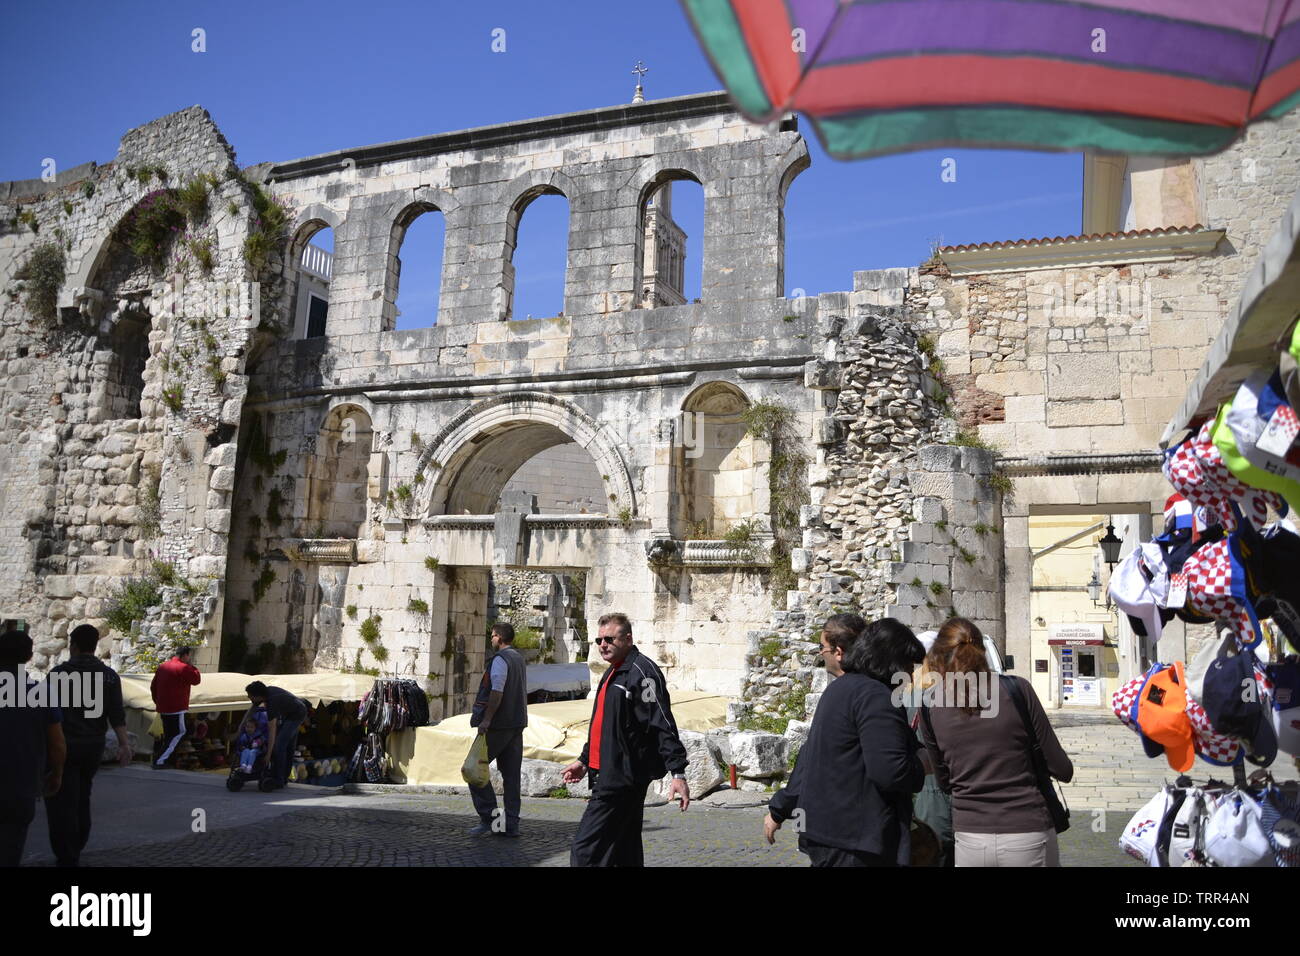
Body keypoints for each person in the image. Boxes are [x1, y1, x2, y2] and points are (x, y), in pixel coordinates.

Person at [765, 616, 927, 866]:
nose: (910, 675)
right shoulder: (875, 696)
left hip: (835, 836)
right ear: (892, 662)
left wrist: (780, 807)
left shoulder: (841, 689)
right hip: (856, 842)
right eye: (908, 665)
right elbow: (890, 771)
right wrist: (922, 764)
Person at [919, 617, 1073, 867]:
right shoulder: (1017, 690)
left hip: (971, 838)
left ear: (937, 655)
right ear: (982, 651)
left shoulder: (930, 705)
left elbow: (945, 781)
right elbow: (1062, 769)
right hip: (1027, 827)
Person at [562, 613, 689, 866]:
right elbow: (605, 725)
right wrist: (584, 760)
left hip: (622, 776)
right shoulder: (613, 672)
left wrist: (678, 773)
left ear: (628, 638)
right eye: (598, 640)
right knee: (623, 849)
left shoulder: (643, 673)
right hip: (608, 770)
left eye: (609, 639)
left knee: (585, 850)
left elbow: (661, 721)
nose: (602, 645)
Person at [44, 624, 130, 867]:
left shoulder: (59, 674)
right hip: (93, 745)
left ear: (74, 645)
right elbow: (116, 714)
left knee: (61, 800)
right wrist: (124, 744)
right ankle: (78, 843)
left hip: (65, 744)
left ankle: (67, 853)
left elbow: (48, 714)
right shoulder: (110, 676)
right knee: (83, 796)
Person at [0, 630, 65, 866]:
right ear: (29, 656)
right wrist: (56, 774)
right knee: (10, 848)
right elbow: (57, 742)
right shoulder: (41, 693)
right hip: (22, 783)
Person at [467, 621, 528, 837]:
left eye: (492, 636)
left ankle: (491, 819)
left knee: (473, 771)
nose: (491, 639)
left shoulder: (501, 660)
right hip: (516, 723)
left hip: (499, 725)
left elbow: (497, 691)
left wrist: (486, 720)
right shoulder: (518, 658)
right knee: (511, 777)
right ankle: (510, 824)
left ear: (498, 638)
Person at [245, 681, 308, 789]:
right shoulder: (263, 695)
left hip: (297, 714)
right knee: (287, 746)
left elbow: (272, 730)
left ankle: (279, 779)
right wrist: (240, 728)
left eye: (250, 696)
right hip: (288, 714)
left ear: (257, 696)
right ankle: (283, 777)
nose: (249, 698)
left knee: (279, 745)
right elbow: (251, 711)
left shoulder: (272, 701)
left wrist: (268, 755)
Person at [150, 646, 201, 768]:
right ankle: (160, 760)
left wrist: (158, 702)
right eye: (189, 656)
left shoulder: (163, 667)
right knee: (179, 733)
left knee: (169, 735)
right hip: (177, 708)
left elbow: (153, 686)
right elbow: (196, 679)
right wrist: (191, 665)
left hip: (163, 708)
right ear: (185, 655)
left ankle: (166, 759)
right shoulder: (183, 667)